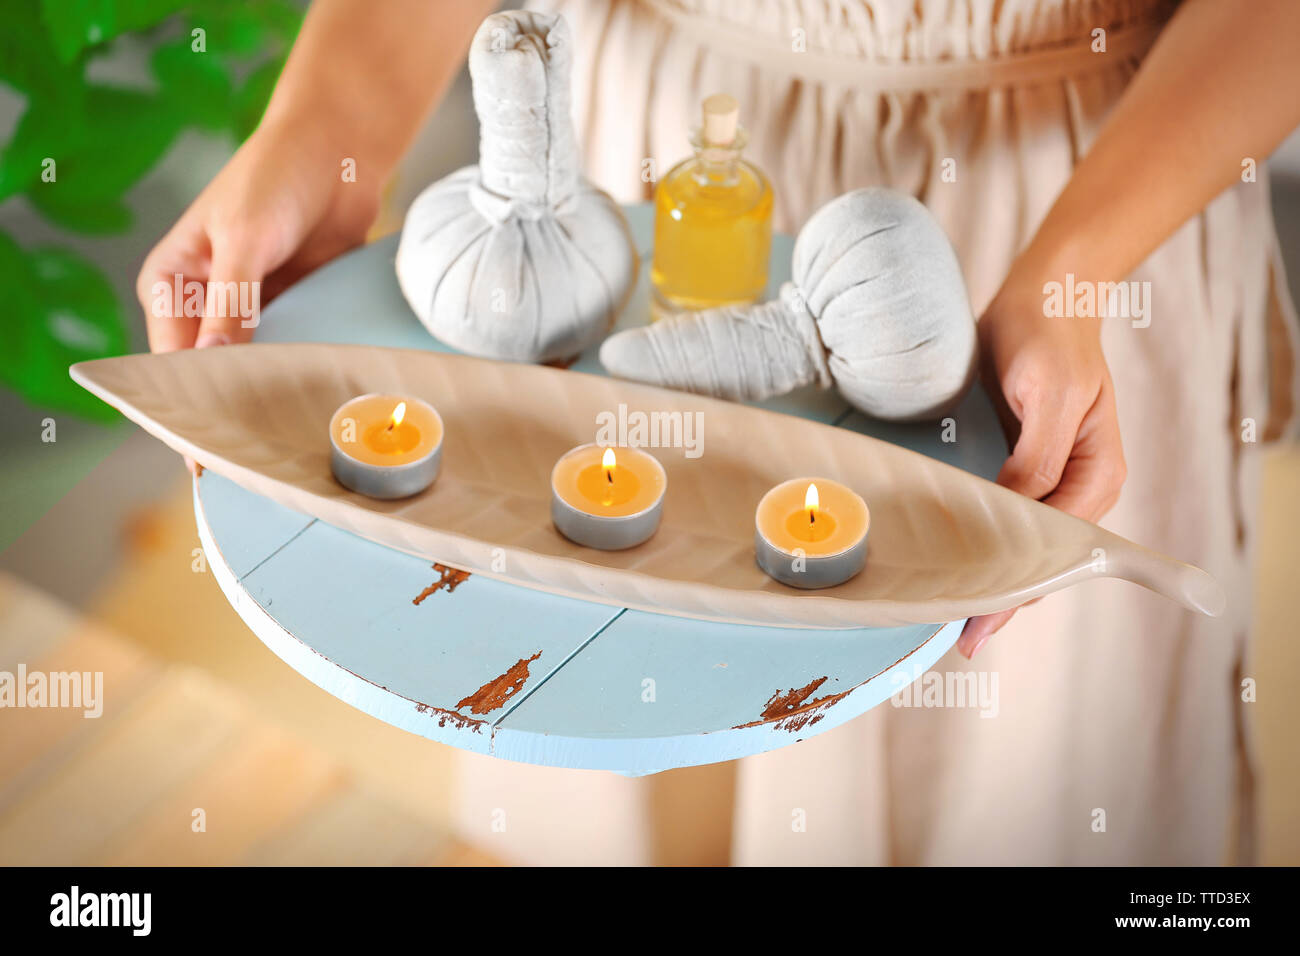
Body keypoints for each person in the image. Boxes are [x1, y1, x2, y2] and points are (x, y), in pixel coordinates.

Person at [138, 0, 1300, 864]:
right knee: (618, 764)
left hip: (1074, 202)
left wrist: (1076, 273)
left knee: (1010, 776)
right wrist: (325, 125)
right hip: (650, 167)